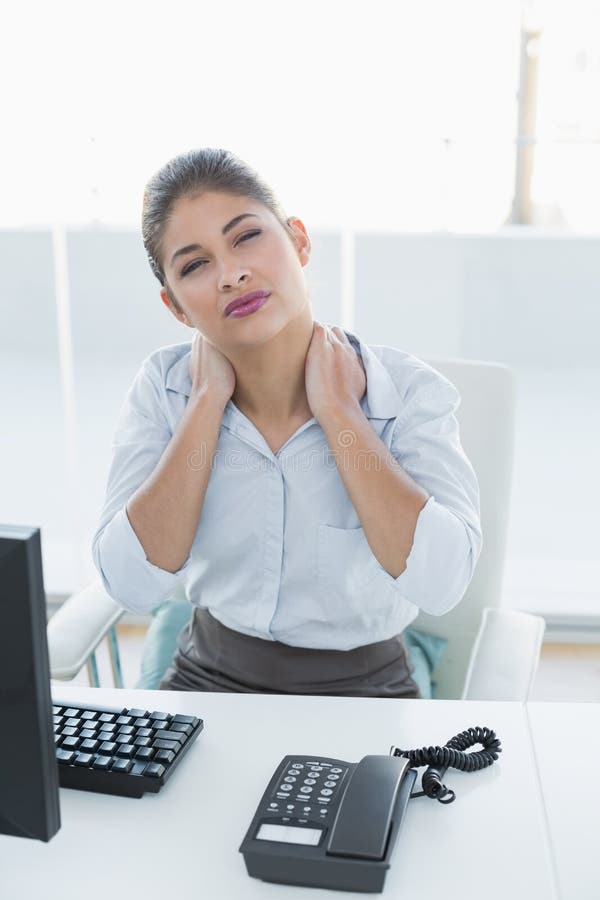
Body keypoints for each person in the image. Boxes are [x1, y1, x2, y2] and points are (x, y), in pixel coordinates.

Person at [92, 147, 482, 698]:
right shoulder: (165, 390)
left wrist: (341, 415)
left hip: (365, 689)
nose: (232, 274)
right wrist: (205, 404)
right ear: (176, 307)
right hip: (208, 676)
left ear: (298, 241)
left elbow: (442, 584)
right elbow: (131, 585)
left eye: (246, 236)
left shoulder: (406, 392)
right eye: (195, 265)